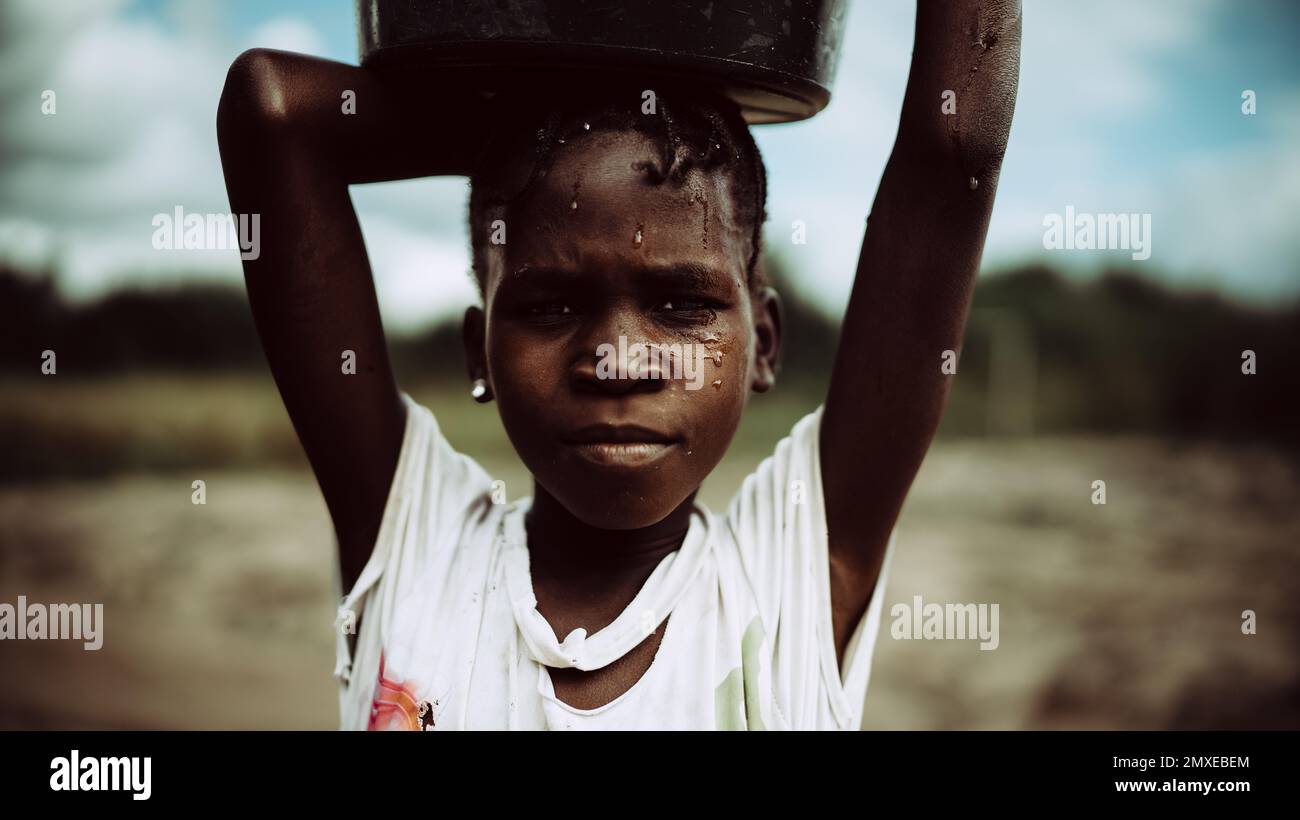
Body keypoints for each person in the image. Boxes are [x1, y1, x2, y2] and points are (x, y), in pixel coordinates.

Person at [215, 0, 1021, 730]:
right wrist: (534, 135)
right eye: (551, 307)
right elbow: (273, 108)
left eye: (683, 305)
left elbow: (953, 157)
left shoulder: (792, 582)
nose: (618, 357)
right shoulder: (418, 550)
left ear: (764, 345)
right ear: (479, 351)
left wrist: (553, 134)